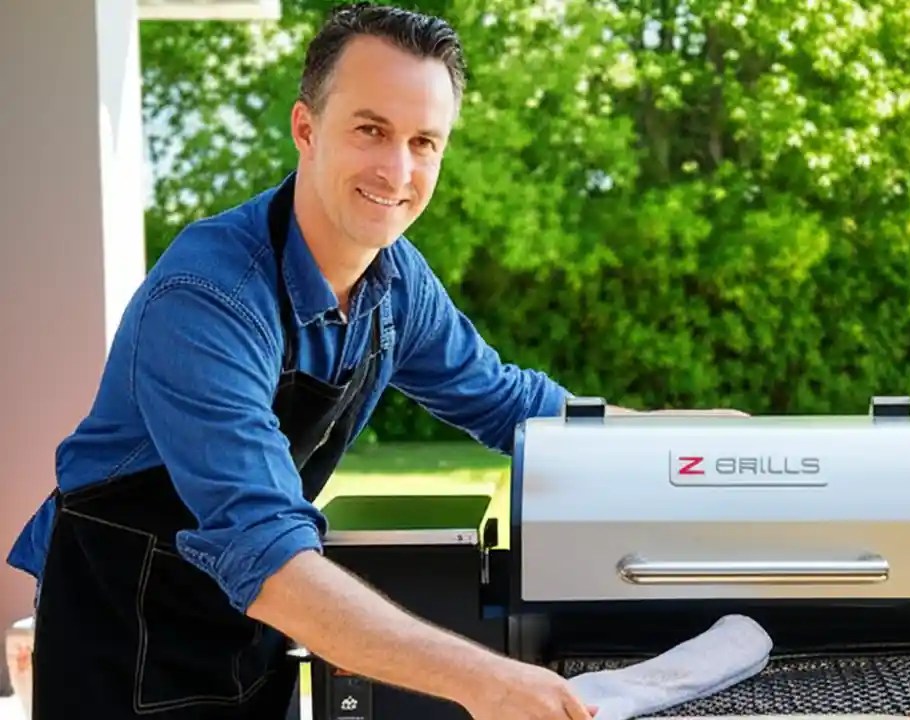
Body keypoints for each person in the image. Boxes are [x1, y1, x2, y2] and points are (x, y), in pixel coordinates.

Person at [5, 3, 740, 719]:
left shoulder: (396, 282)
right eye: (371, 130)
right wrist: (485, 681)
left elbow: (514, 408)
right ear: (306, 128)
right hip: (119, 641)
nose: (398, 170)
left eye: (425, 142)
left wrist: (683, 441)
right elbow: (264, 550)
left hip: (243, 636)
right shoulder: (208, 300)